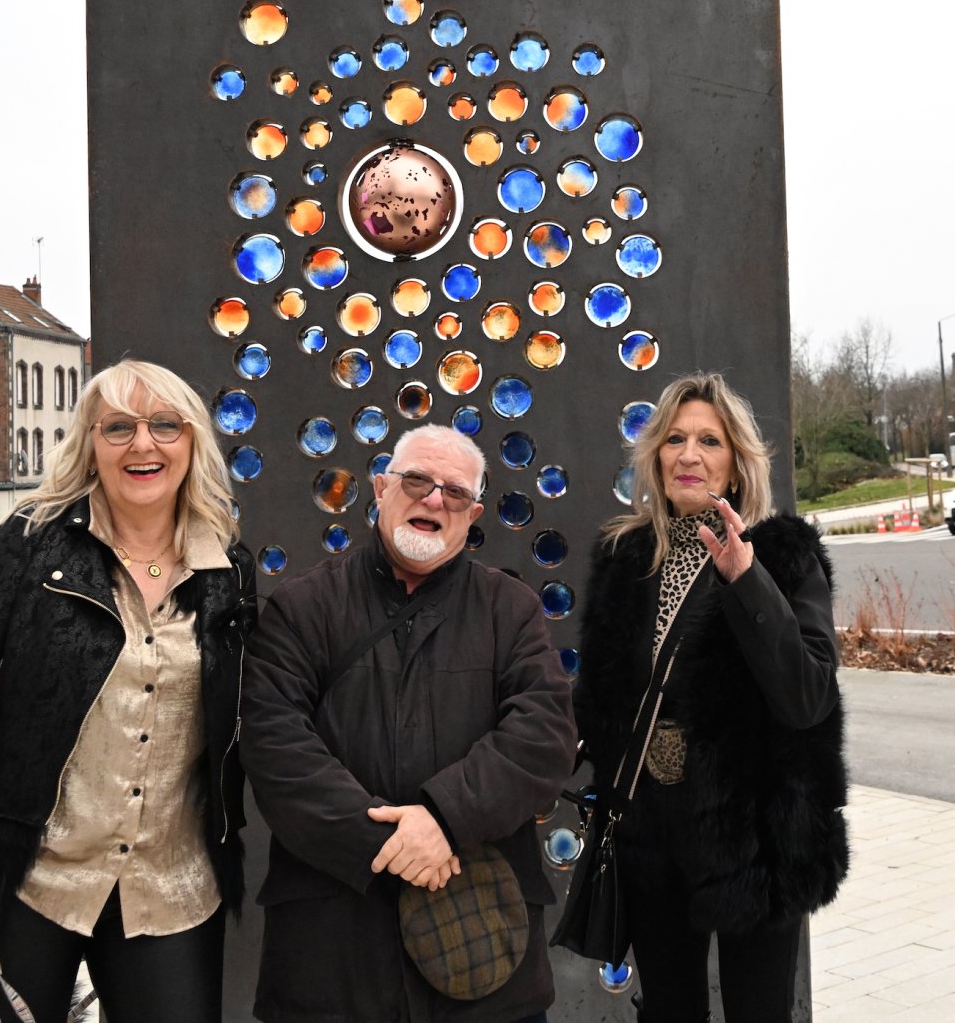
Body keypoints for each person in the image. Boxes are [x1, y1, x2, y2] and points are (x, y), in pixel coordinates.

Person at [0, 359, 256, 1022]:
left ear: (192, 442)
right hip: (25, 883)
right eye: (119, 427)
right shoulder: (32, 546)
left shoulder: (226, 570)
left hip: (169, 886)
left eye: (165, 425)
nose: (143, 444)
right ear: (89, 443)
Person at [241, 423, 576, 1023]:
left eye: (453, 492)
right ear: (379, 486)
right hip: (331, 963)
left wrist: (446, 818)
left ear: (472, 514)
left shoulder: (512, 611)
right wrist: (394, 845)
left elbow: (543, 738)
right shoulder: (302, 608)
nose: (432, 499)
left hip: (482, 959)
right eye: (416, 480)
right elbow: (275, 746)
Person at [575, 373, 847, 1023]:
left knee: (758, 1012)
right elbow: (603, 694)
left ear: (735, 463)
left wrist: (746, 581)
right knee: (668, 1010)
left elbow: (807, 696)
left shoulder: (784, 555)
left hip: (752, 837)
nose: (689, 454)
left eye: (709, 441)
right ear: (656, 456)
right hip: (652, 837)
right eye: (674, 439)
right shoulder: (624, 556)